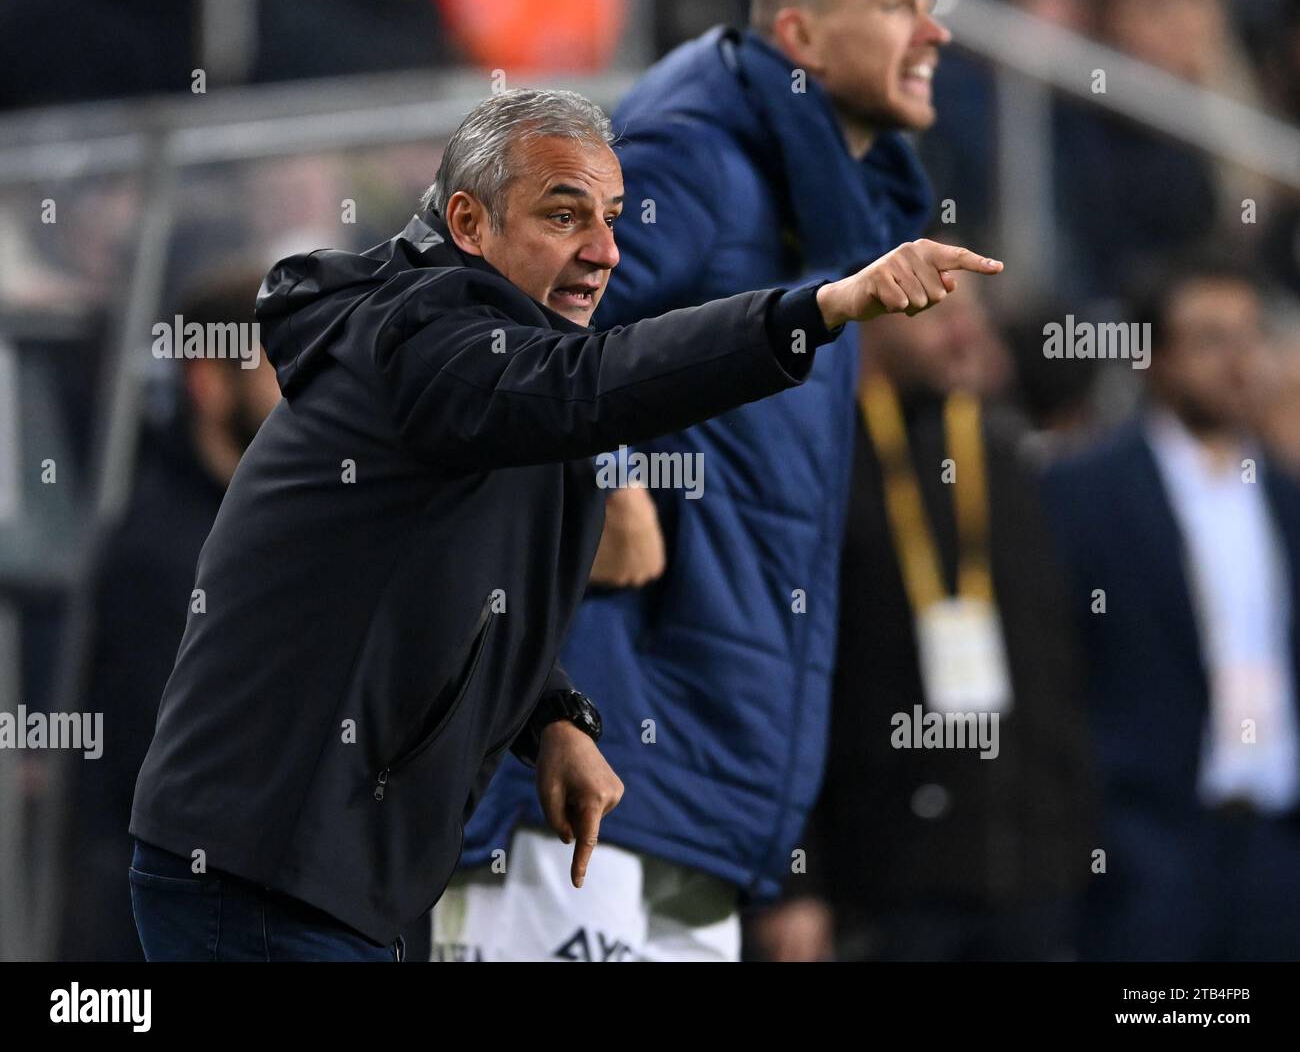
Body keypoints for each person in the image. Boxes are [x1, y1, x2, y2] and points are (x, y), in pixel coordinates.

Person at [126, 87, 1004, 962]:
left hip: (313, 868)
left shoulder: (480, 356)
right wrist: (816, 310)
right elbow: (596, 384)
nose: (604, 252)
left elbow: (445, 578)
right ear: (468, 222)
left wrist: (552, 718)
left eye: (613, 218)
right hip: (263, 869)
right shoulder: (429, 341)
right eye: (564, 214)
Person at [448, 0, 949, 961]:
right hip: (588, 751)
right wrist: (606, 473)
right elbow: (499, 335)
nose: (933, 33)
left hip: (686, 758)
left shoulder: (811, 192)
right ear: (798, 34)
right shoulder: (695, 152)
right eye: (897, 6)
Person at [753, 280, 1093, 962]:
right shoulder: (818, 465)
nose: (963, 331)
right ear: (867, 319)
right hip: (881, 886)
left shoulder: (1007, 462)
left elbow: (1057, 668)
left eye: (972, 312)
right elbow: (776, 686)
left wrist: (1075, 848)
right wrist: (794, 879)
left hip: (1031, 879)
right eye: (936, 313)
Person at [1042, 258, 1300, 961]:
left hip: (1276, 850)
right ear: (1153, 357)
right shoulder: (1083, 492)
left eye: (1252, 337)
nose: (1240, 361)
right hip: (1147, 847)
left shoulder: (1286, 497)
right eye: (1212, 340)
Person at [61, 268, 279, 961]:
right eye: (276, 363)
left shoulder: (278, 520)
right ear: (209, 383)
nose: (301, 388)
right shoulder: (160, 550)